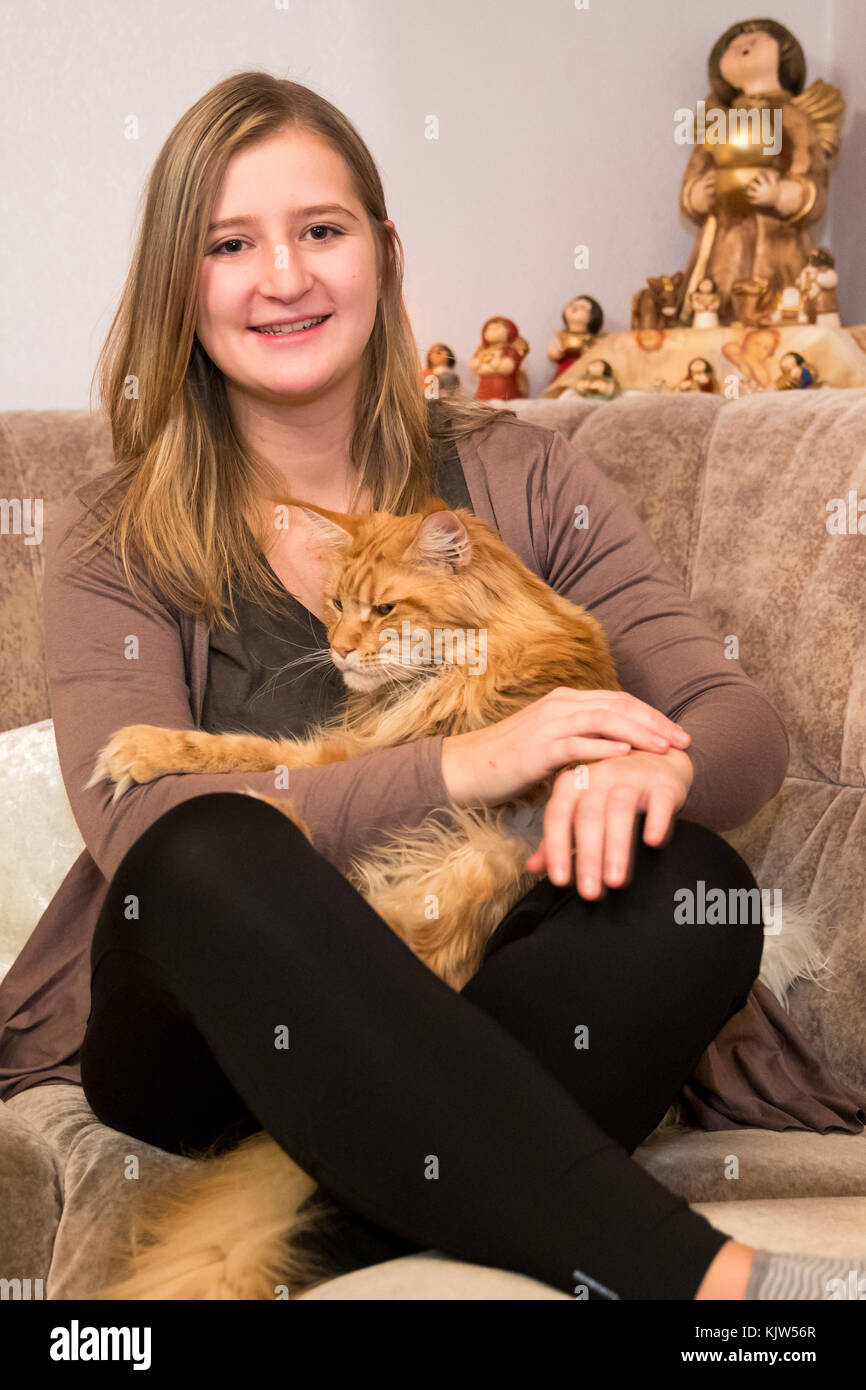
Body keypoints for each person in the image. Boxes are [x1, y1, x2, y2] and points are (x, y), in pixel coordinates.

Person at [6, 71, 862, 1303]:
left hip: (475, 979)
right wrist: (467, 765)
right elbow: (133, 827)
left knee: (688, 889)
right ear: (176, 285)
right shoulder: (113, 532)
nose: (284, 276)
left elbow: (736, 726)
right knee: (206, 842)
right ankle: (707, 1286)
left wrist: (653, 764)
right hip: (204, 1039)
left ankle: (365, 1201)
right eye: (229, 244)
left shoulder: (524, 475)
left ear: (383, 252)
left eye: (321, 230)